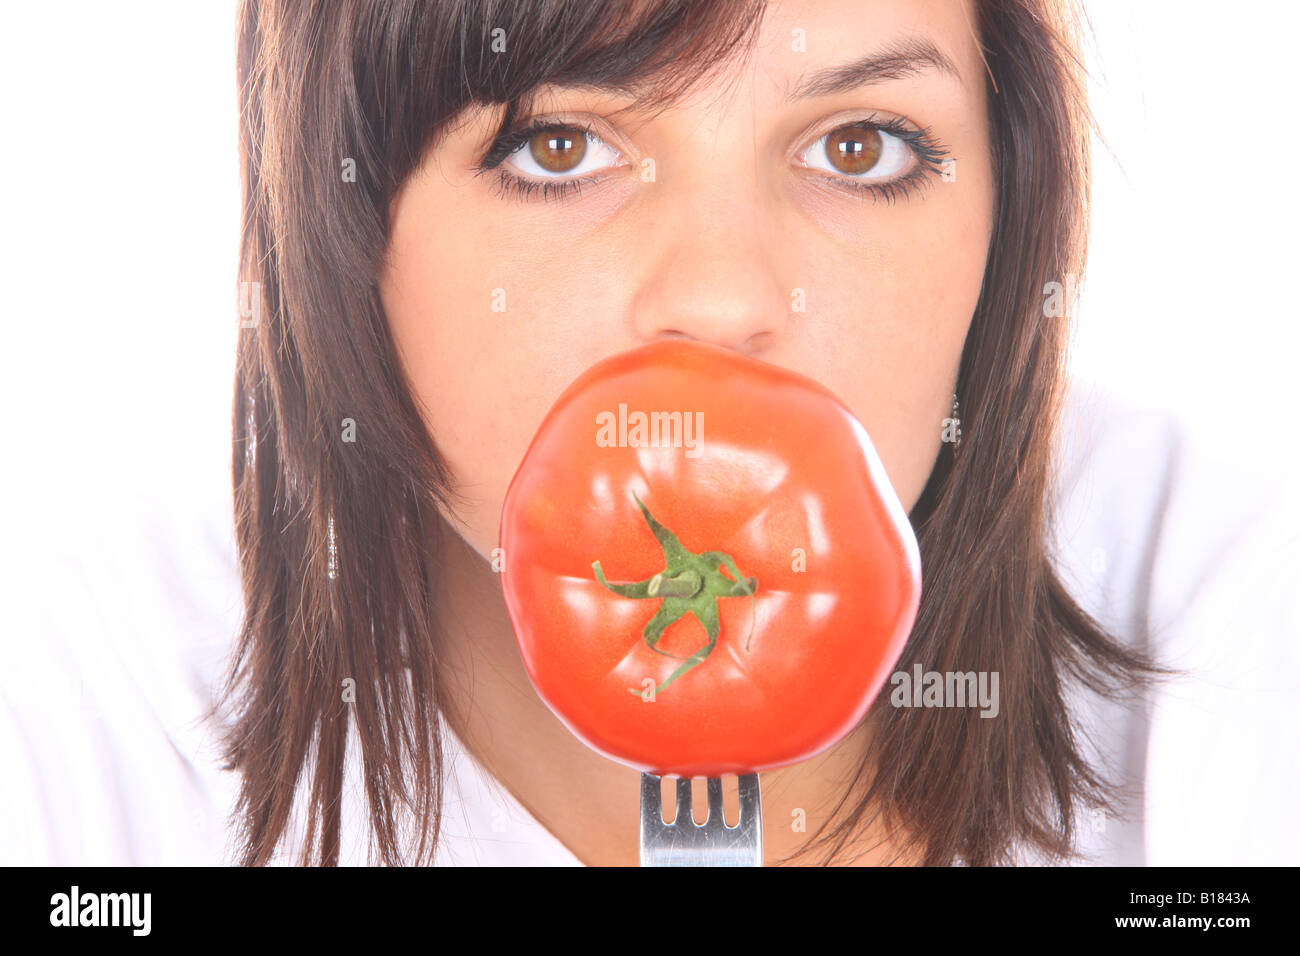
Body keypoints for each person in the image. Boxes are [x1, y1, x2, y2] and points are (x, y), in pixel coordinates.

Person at [4, 0, 1294, 867]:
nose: (726, 299)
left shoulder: (1236, 621)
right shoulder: (74, 713)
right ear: (339, 227)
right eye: (559, 147)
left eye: (861, 146)